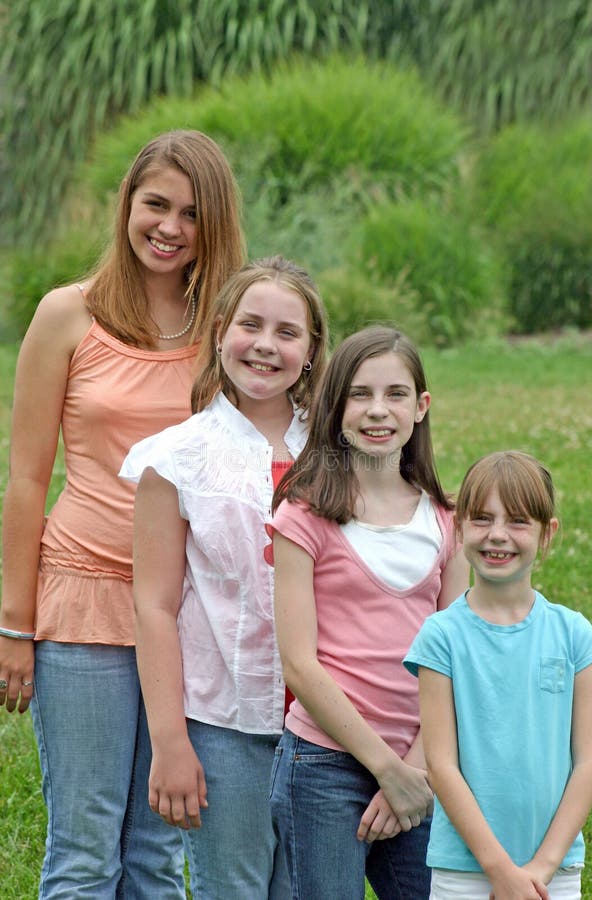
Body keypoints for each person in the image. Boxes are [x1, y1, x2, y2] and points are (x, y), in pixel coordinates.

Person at [0, 129, 244, 898]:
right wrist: (13, 624)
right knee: (83, 849)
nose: (169, 227)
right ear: (128, 205)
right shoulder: (67, 316)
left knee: (155, 853)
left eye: (191, 214)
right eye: (156, 205)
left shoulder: (228, 333)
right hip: (84, 599)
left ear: (216, 226)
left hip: (190, 609)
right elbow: (26, 478)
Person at [120, 255, 328, 899]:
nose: (266, 346)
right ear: (218, 333)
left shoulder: (338, 454)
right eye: (251, 325)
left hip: (326, 730)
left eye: (287, 333)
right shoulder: (178, 458)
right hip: (223, 726)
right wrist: (170, 742)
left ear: (313, 351)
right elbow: (154, 605)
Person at [267, 325, 470, 900]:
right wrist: (384, 768)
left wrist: (415, 769)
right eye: (359, 394)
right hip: (323, 765)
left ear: (421, 406)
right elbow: (300, 666)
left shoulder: (447, 521)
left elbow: (456, 659)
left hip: (421, 760)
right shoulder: (304, 518)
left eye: (395, 394)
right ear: (335, 409)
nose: (377, 410)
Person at [404, 450, 592, 900]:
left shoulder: (575, 636)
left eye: (517, 521)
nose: (497, 536)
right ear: (458, 528)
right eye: (481, 519)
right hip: (464, 872)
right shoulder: (441, 637)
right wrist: (501, 872)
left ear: (547, 533)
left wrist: (541, 867)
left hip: (556, 872)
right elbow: (442, 766)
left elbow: (589, 761)